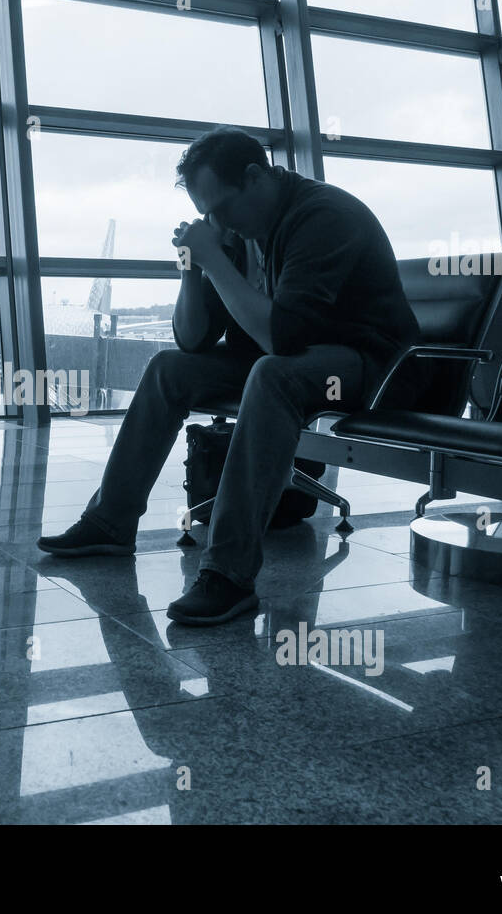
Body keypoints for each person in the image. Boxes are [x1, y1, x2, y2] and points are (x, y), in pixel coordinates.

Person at [37, 125, 427, 626]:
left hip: (371, 368)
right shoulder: (240, 233)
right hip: (292, 360)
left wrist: (215, 258)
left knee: (272, 373)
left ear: (254, 178)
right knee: (167, 370)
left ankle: (228, 573)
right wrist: (191, 268)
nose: (215, 221)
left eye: (220, 208)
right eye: (205, 214)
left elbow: (280, 339)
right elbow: (192, 340)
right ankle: (110, 522)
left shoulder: (323, 217)